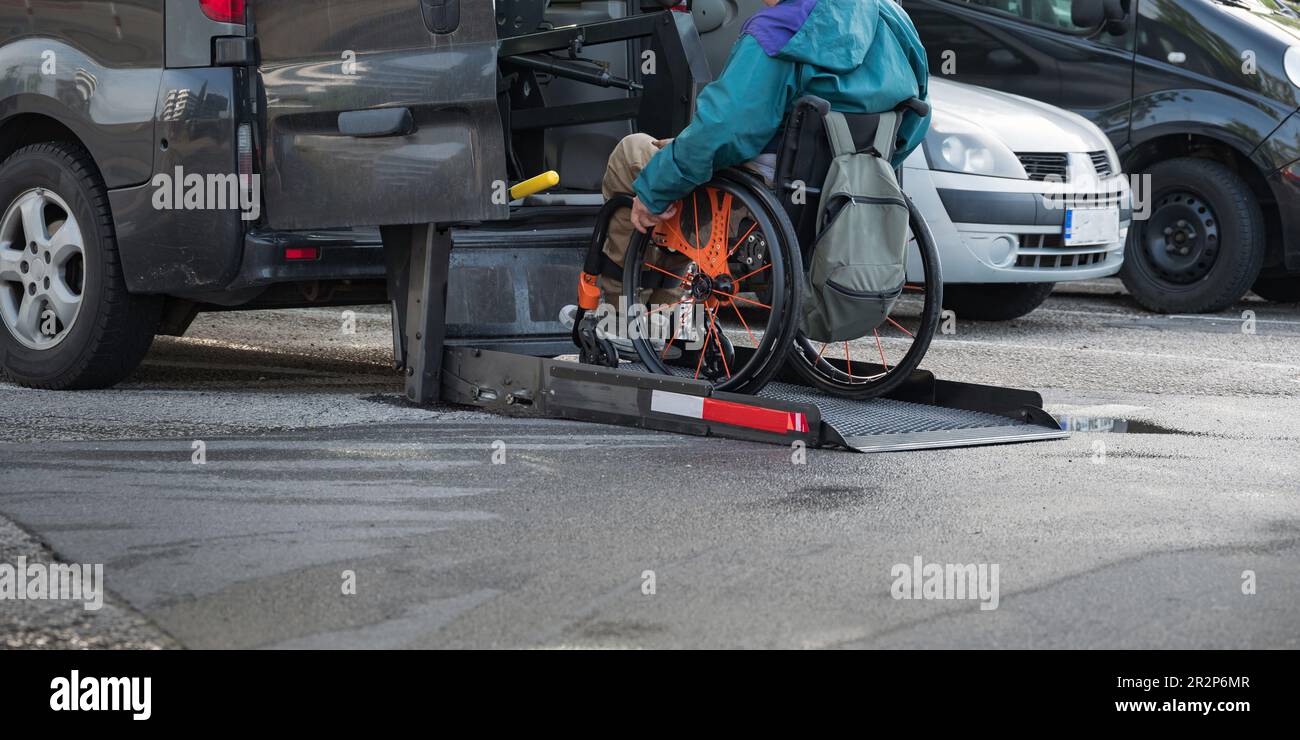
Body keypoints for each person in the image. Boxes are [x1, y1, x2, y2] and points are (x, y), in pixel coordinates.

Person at [597, 0, 932, 306]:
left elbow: (725, 129)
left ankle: (617, 310)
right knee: (685, 167)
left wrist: (656, 188)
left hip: (769, 187)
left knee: (634, 156)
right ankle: (667, 312)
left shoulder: (778, 30)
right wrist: (861, 171)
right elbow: (917, 115)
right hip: (842, 190)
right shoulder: (893, 19)